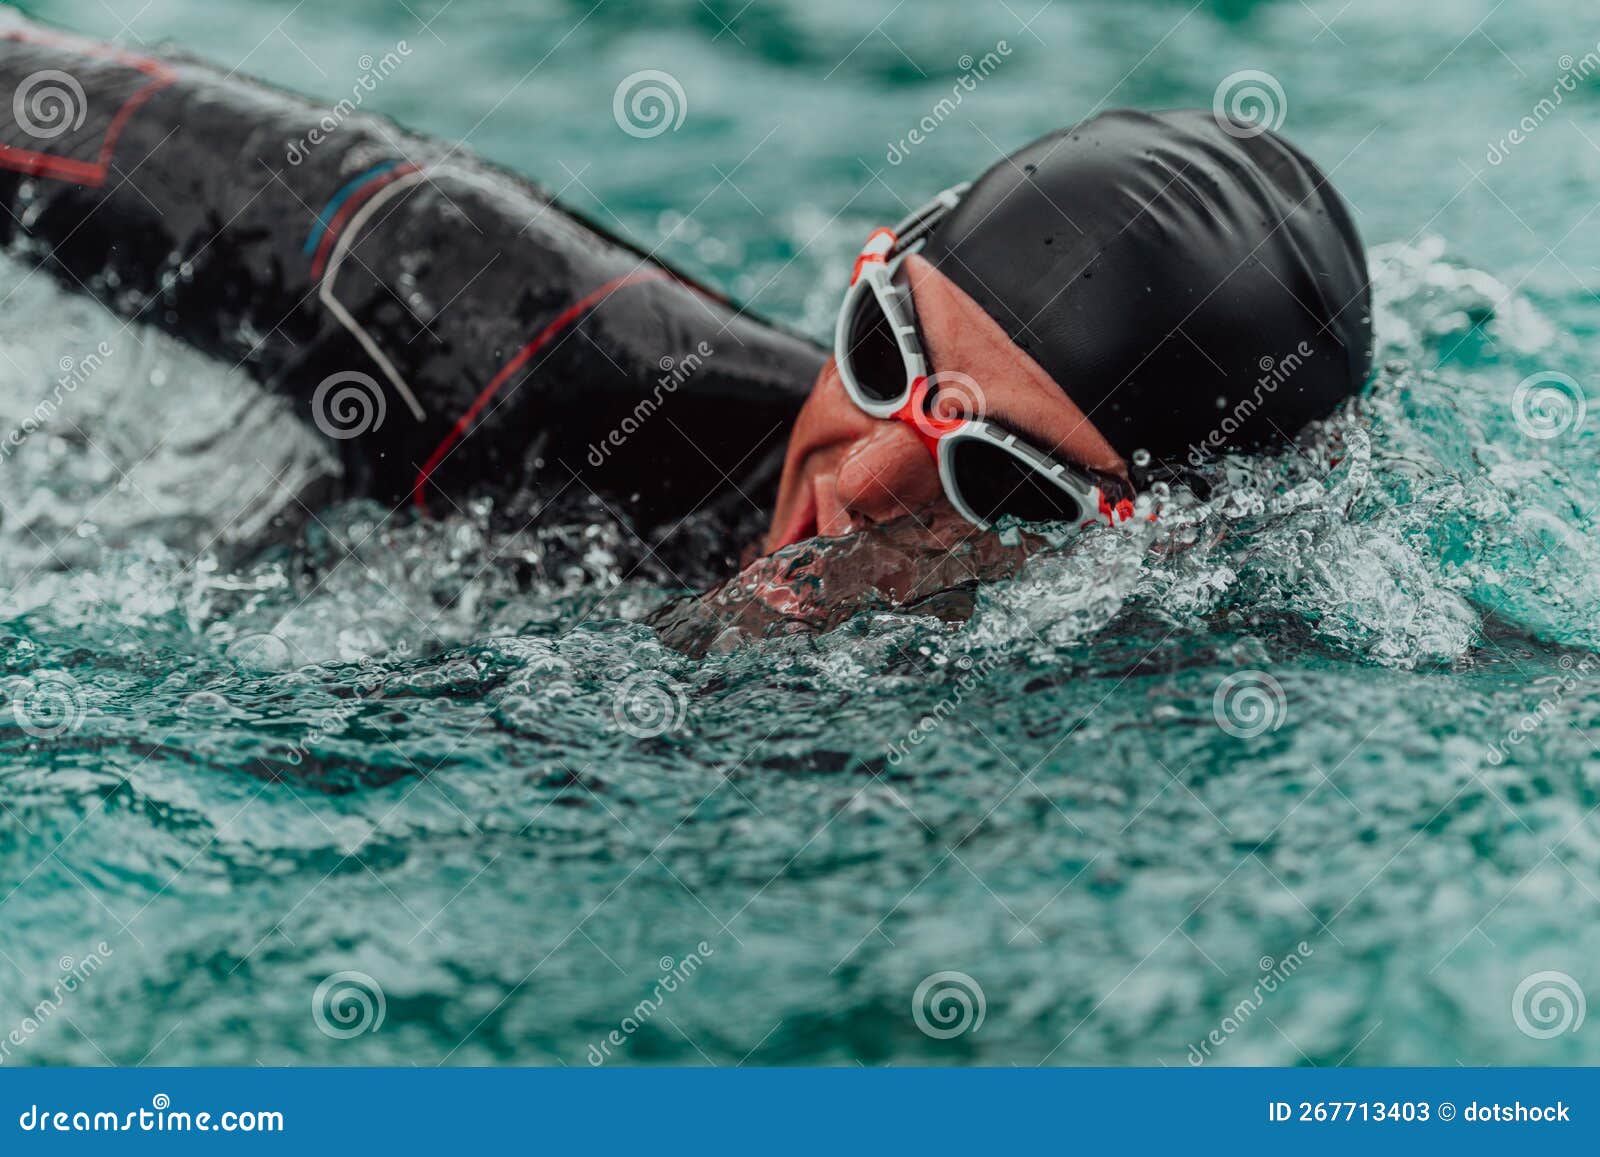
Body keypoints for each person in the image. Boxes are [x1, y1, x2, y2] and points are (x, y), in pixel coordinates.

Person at [0, 15, 1370, 581]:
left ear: (1163, 547)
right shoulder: (504, 346)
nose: (860, 481)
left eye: (1005, 478)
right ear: (874, 265)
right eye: (882, 354)